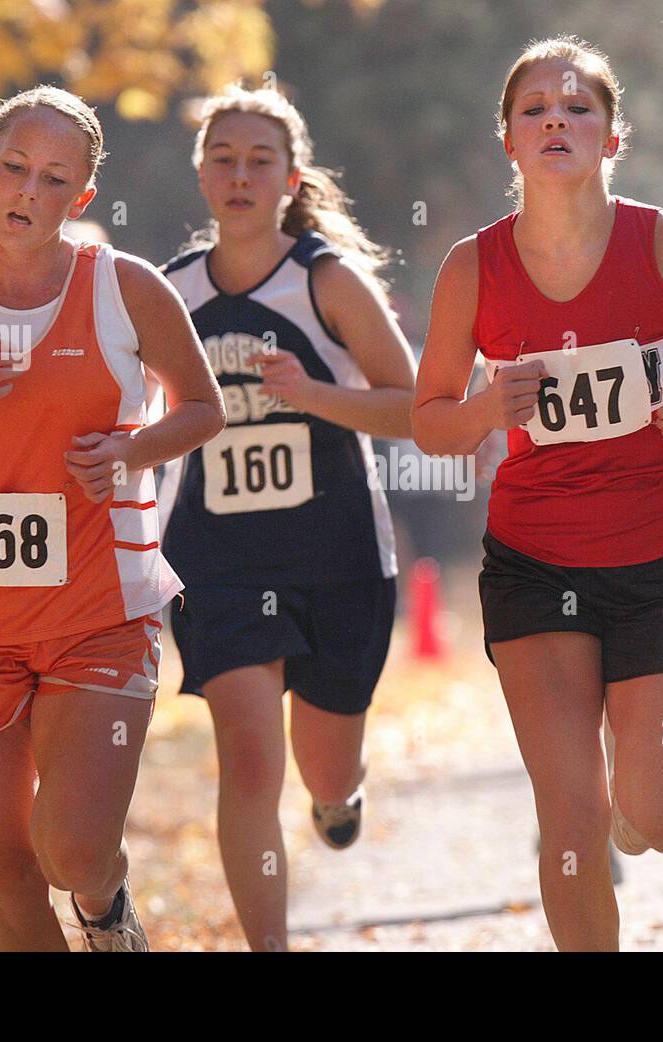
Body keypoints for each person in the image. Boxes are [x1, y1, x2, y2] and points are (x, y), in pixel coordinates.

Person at [412, 36, 663, 951]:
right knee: (568, 822)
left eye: (578, 108)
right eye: (534, 108)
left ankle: (634, 804)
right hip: (535, 562)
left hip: (661, 558)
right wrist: (488, 405)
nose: (555, 121)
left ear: (613, 137)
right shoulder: (472, 268)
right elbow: (429, 421)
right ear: (508, 141)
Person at [0, 86, 224, 950]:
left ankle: (105, 909)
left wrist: (131, 452)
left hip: (96, 608)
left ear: (83, 197)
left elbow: (201, 408)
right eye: (14, 169)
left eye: (55, 178)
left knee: (73, 849)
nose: (28, 191)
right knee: (10, 868)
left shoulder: (123, 288)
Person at [159, 84, 414, 952]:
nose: (239, 175)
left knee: (323, 766)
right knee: (248, 756)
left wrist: (312, 395)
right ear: (201, 176)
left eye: (258, 161)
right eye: (222, 159)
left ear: (290, 177)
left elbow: (414, 404)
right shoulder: (171, 292)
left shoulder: (324, 281)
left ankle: (340, 797)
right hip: (220, 562)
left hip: (337, 553)